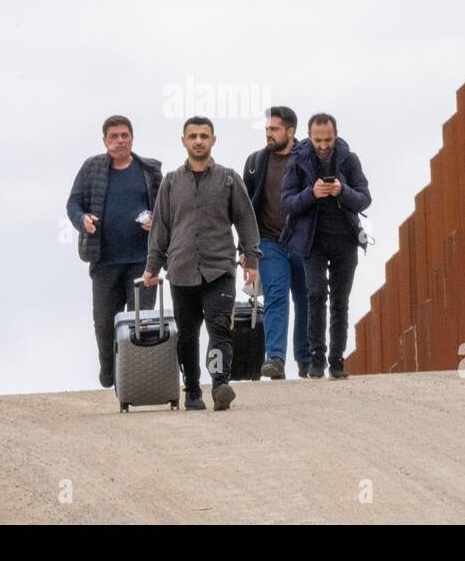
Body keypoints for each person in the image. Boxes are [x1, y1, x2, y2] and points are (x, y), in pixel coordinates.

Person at [142, 117, 260, 411]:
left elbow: (246, 221)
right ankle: (192, 391)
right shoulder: (170, 182)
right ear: (183, 140)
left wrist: (252, 258)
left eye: (203, 136)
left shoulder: (229, 179)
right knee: (188, 334)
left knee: (220, 327)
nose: (198, 141)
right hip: (181, 270)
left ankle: (220, 383)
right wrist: (152, 267)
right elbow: (161, 228)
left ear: (213, 140)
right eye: (192, 136)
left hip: (219, 268)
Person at [66, 115, 164, 388]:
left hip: (143, 261)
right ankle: (108, 368)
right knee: (104, 322)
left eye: (124, 135)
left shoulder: (150, 170)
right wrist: (82, 220)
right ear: (105, 141)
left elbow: (167, 209)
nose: (120, 141)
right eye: (114, 136)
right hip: (104, 260)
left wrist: (155, 220)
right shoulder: (92, 169)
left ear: (132, 138)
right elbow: (73, 203)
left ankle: (133, 376)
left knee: (139, 322)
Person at [281, 113, 372, 379]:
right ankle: (316, 360)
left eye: (328, 139)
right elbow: (286, 202)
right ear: (309, 137)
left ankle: (337, 361)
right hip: (313, 243)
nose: (323, 145)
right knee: (316, 295)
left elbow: (365, 199)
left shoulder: (349, 159)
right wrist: (312, 193)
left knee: (340, 302)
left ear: (336, 134)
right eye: (318, 140)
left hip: (345, 241)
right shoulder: (297, 161)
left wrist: (342, 190)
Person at [243, 106, 311, 379]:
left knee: (306, 299)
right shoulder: (255, 162)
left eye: (274, 129)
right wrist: (245, 251)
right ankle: (275, 359)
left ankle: (306, 360)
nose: (269, 134)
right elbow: (244, 210)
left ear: (291, 131)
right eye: (267, 129)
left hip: (304, 241)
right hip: (269, 242)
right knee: (275, 297)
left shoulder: (308, 159)